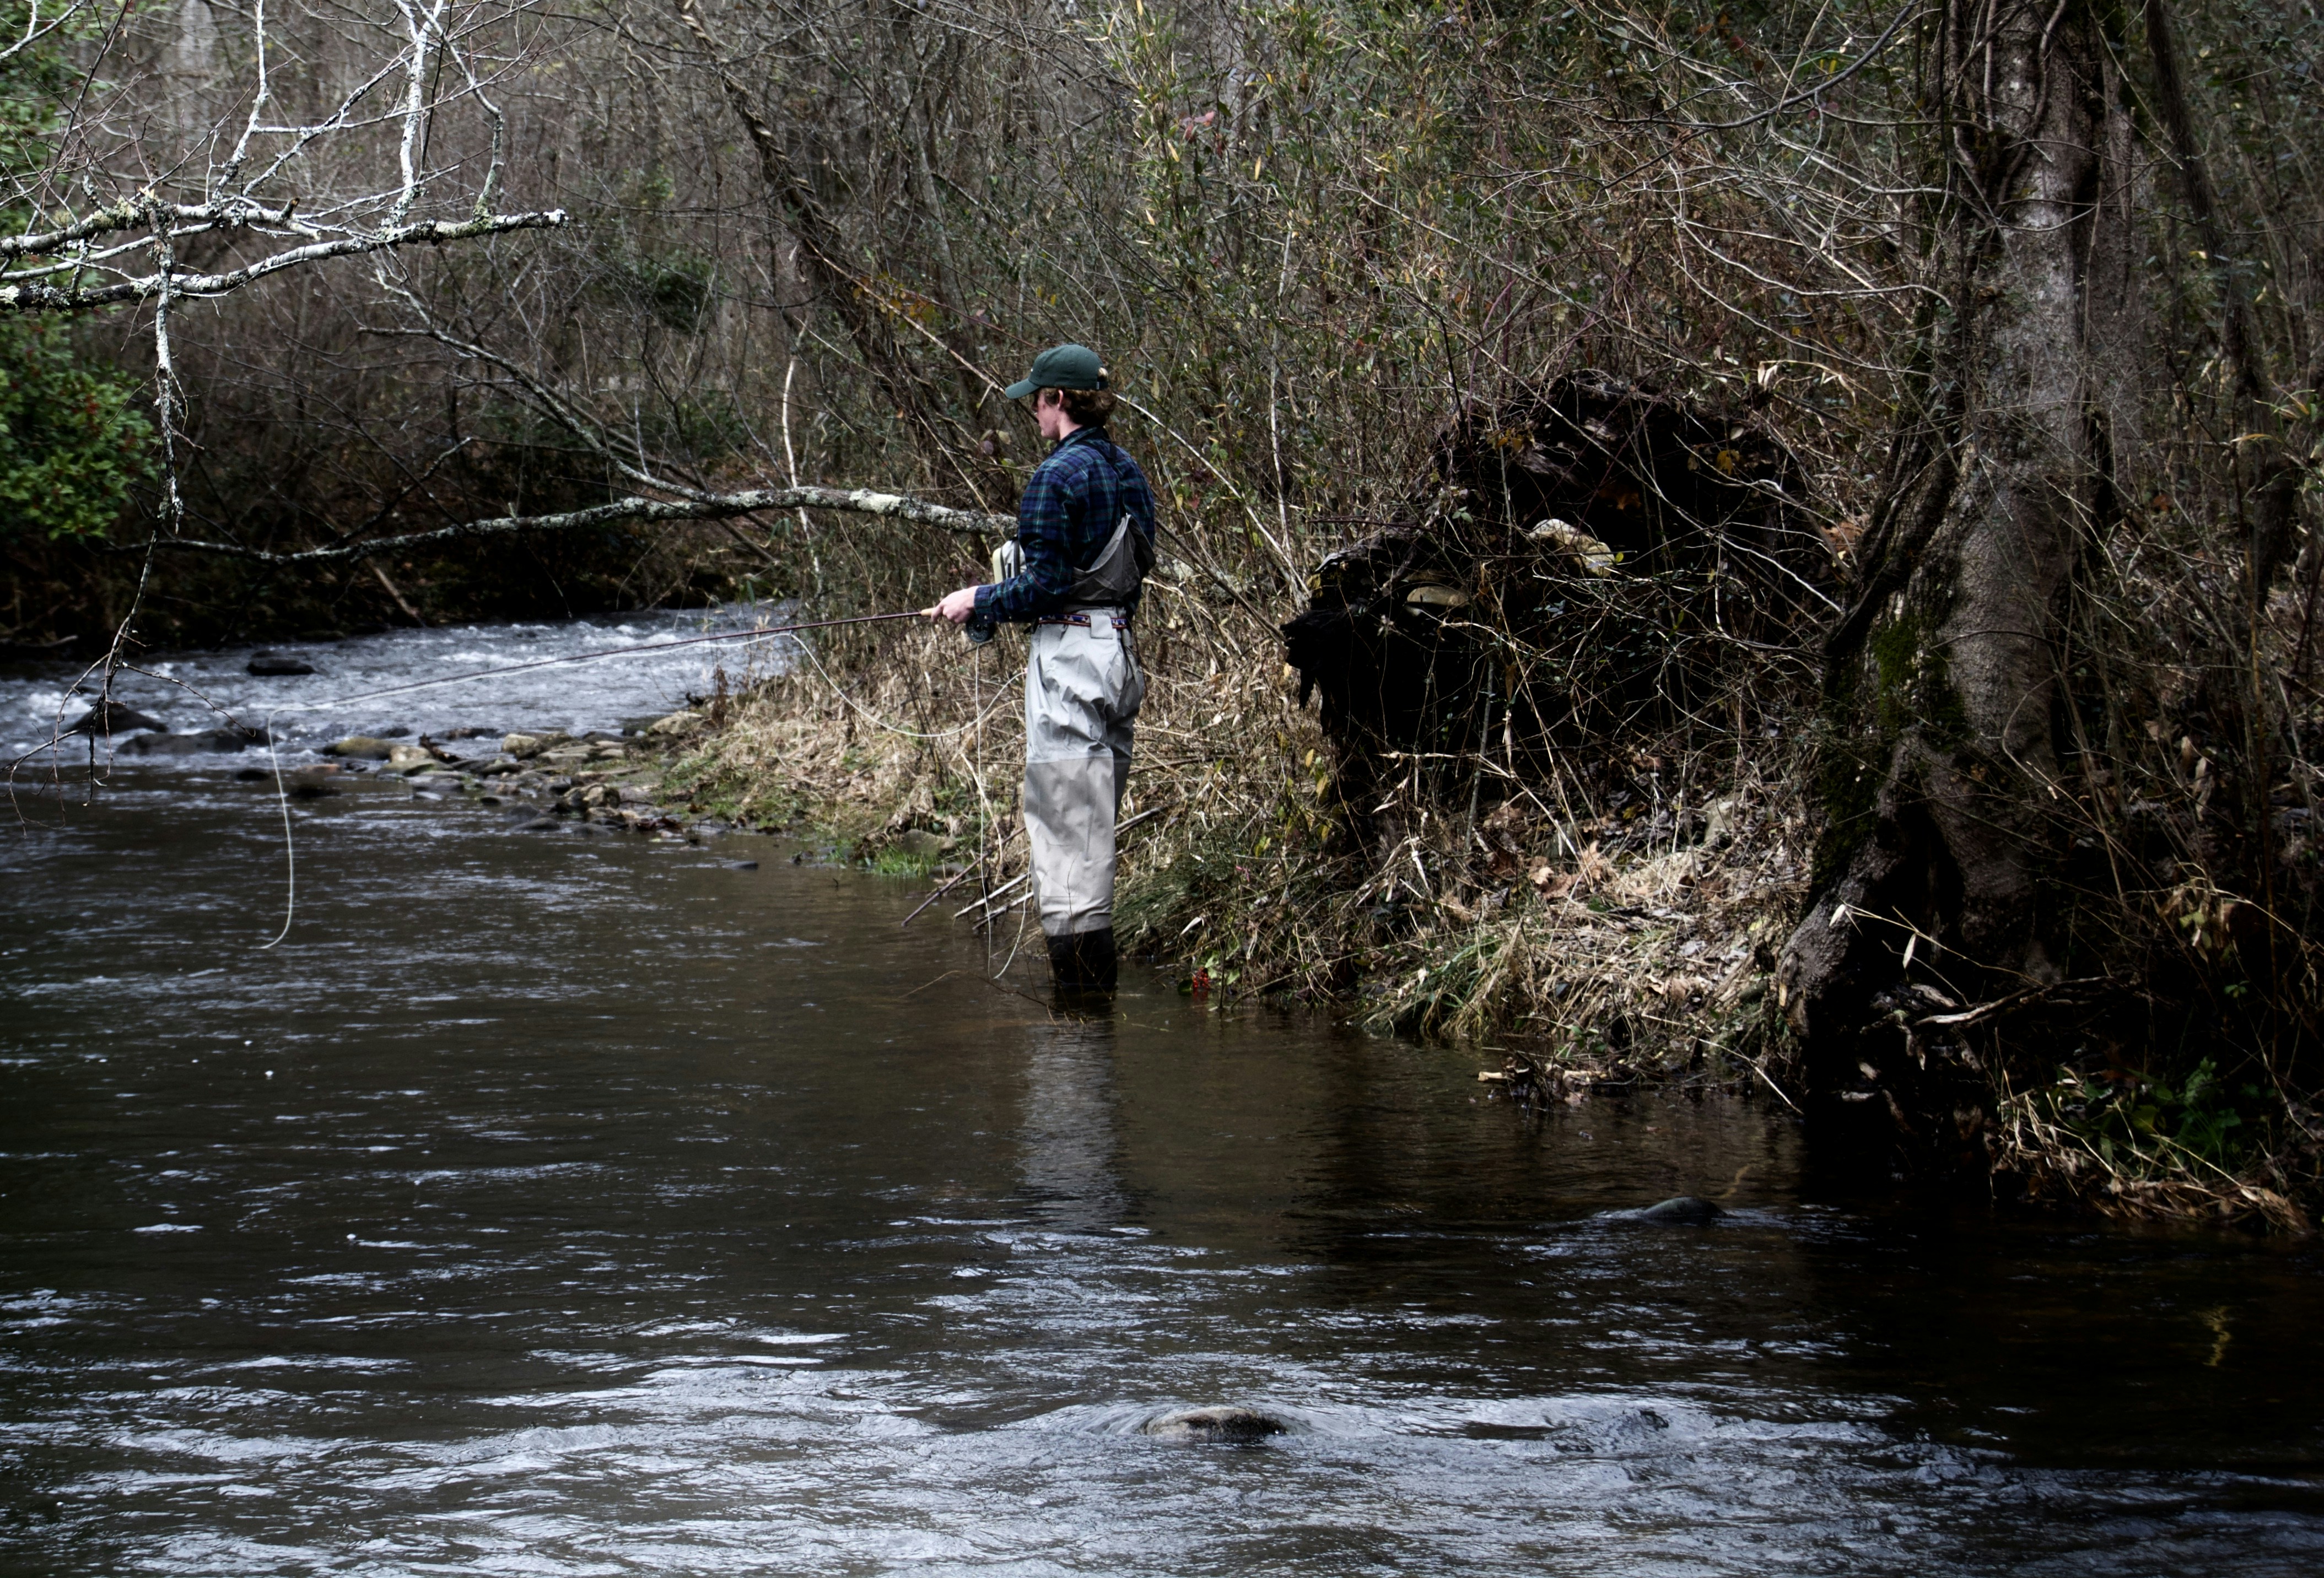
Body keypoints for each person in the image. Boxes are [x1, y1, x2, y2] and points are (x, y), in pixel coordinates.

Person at [927, 344, 1156, 991]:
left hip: (1069, 661)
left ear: (1060, 399)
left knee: (1064, 837)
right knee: (1093, 829)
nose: (1031, 408)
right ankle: (1090, 1023)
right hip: (1119, 655)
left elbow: (1047, 586)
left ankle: (1080, 1023)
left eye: (1038, 397)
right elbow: (1138, 567)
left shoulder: (1054, 478)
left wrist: (977, 600)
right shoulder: (1127, 469)